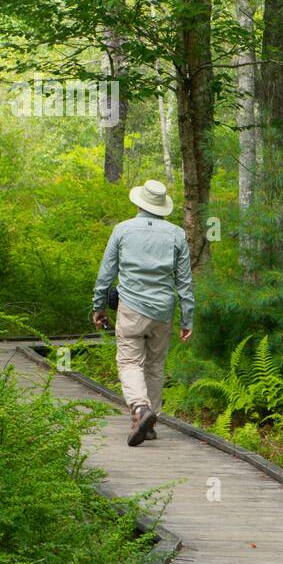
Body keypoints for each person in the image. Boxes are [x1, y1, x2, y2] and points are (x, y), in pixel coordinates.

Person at [92, 179, 194, 447]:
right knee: (155, 365)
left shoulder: (122, 230)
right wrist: (187, 317)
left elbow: (106, 273)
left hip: (131, 308)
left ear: (139, 202)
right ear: (162, 207)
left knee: (129, 362)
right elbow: (184, 281)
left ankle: (139, 409)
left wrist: (98, 307)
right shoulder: (177, 234)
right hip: (162, 310)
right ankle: (150, 424)